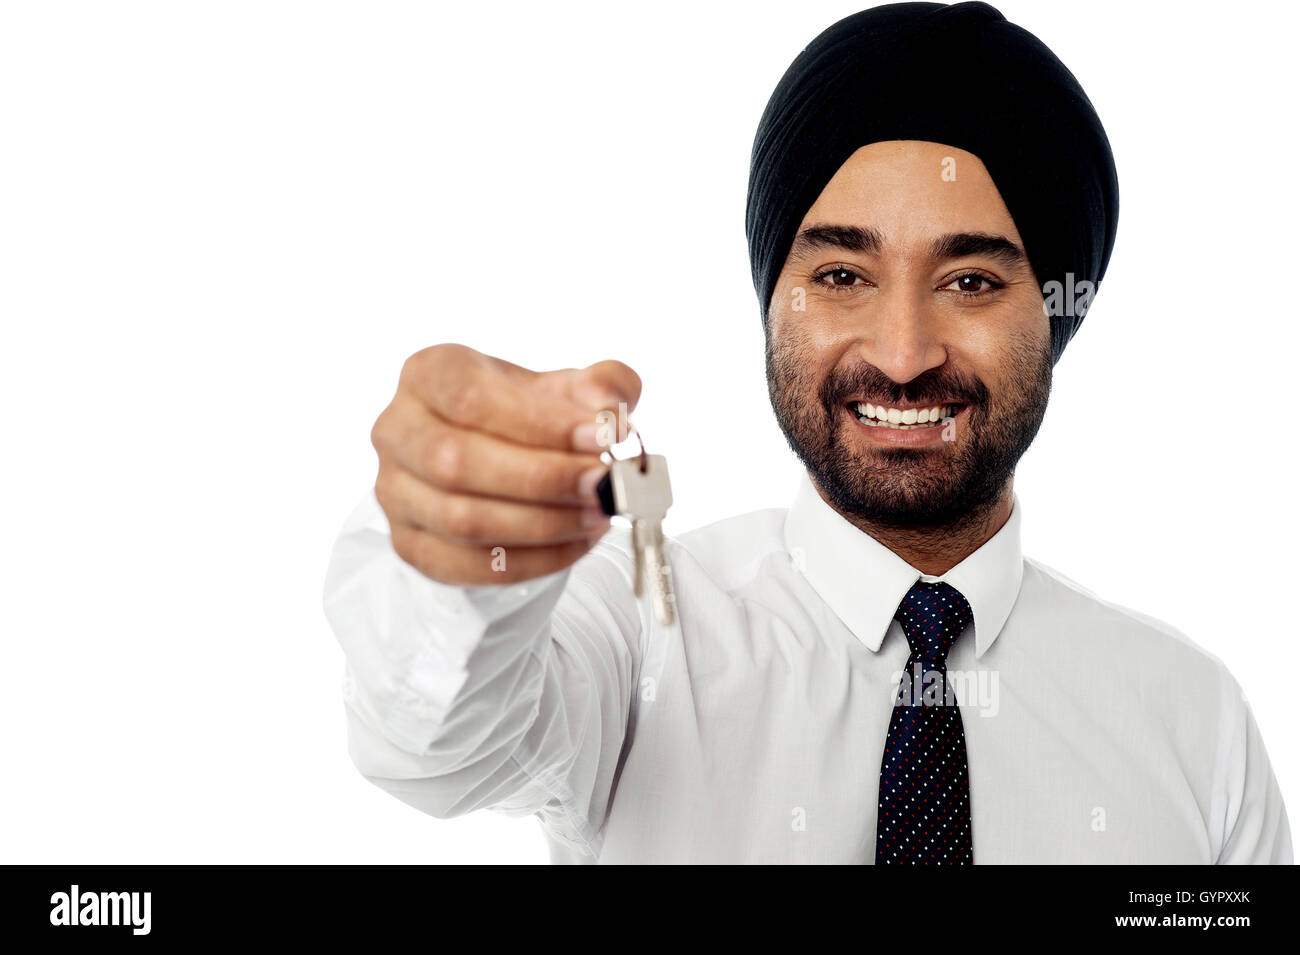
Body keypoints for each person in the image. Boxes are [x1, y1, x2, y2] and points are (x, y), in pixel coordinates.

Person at [322, 2, 1292, 863]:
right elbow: (433, 745)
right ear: (771, 300)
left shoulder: (1191, 723)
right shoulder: (631, 639)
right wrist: (463, 558)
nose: (904, 353)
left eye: (971, 282)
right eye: (839, 276)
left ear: (1057, 316)